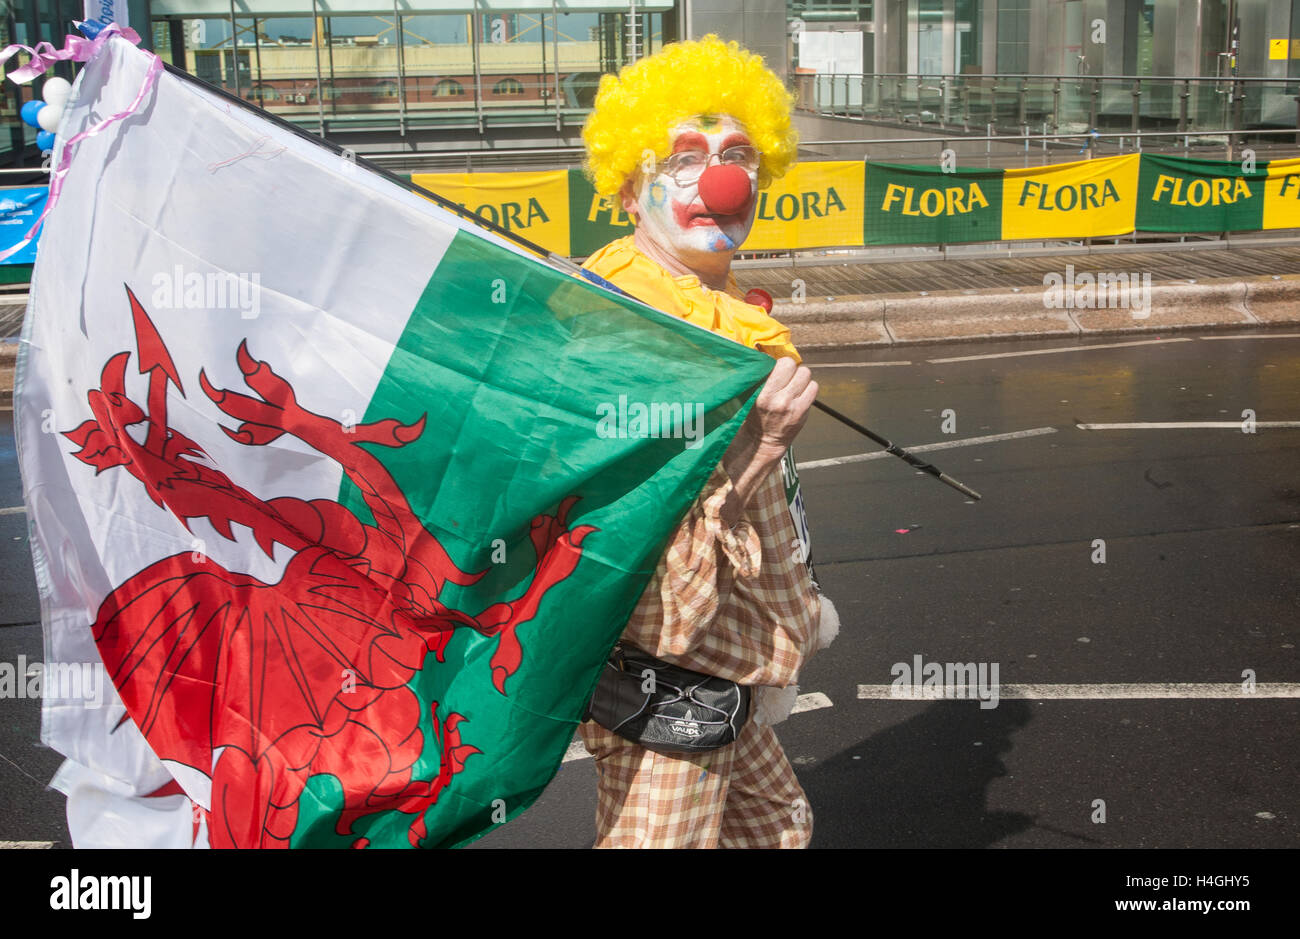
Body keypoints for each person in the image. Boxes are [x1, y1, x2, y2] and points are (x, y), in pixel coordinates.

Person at [576, 34, 839, 849]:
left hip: (731, 657)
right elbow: (632, 557)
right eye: (685, 156)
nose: (721, 180)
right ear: (629, 189)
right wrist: (755, 451)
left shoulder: (717, 309)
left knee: (776, 825)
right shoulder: (627, 325)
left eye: (737, 155)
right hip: (667, 671)